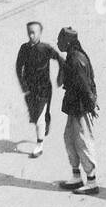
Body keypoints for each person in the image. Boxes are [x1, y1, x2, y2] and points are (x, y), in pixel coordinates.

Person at [55, 26, 99, 195]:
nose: (58, 42)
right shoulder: (72, 57)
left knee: (82, 141)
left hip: (80, 107)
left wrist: (91, 105)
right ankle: (76, 177)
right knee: (69, 138)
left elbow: (86, 85)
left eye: (60, 40)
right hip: (74, 106)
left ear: (68, 41)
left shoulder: (76, 59)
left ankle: (92, 181)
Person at [14, 21, 64, 158]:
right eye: (29, 32)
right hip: (30, 90)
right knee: (36, 116)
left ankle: (39, 145)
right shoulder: (24, 49)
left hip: (44, 88)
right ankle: (46, 121)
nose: (31, 35)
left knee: (39, 118)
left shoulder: (45, 49)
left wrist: (60, 77)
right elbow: (18, 67)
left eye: (33, 32)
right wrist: (23, 85)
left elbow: (60, 59)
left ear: (40, 33)